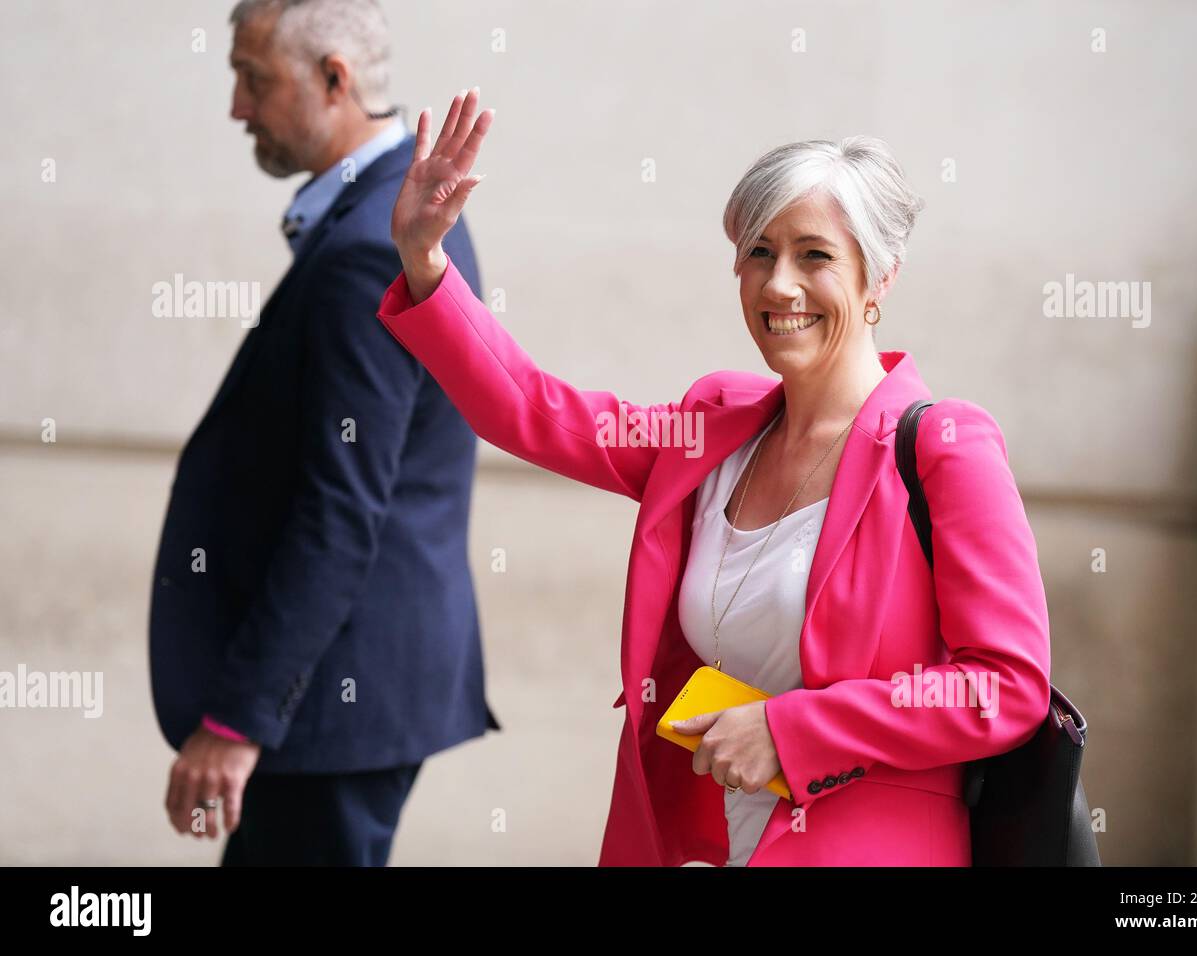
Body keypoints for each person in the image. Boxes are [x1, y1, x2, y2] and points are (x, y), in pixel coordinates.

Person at [378, 91, 1051, 866]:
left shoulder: (947, 446)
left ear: (881, 278)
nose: (778, 285)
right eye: (758, 252)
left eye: (815, 254)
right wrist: (427, 261)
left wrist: (794, 730)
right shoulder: (713, 426)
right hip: (707, 844)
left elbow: (1001, 686)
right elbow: (535, 412)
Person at [150, 0, 497, 866]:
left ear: (334, 79)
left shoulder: (373, 247)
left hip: (335, 706)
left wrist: (237, 719)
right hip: (346, 696)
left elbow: (340, 513)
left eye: (254, 79)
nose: (238, 108)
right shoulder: (389, 219)